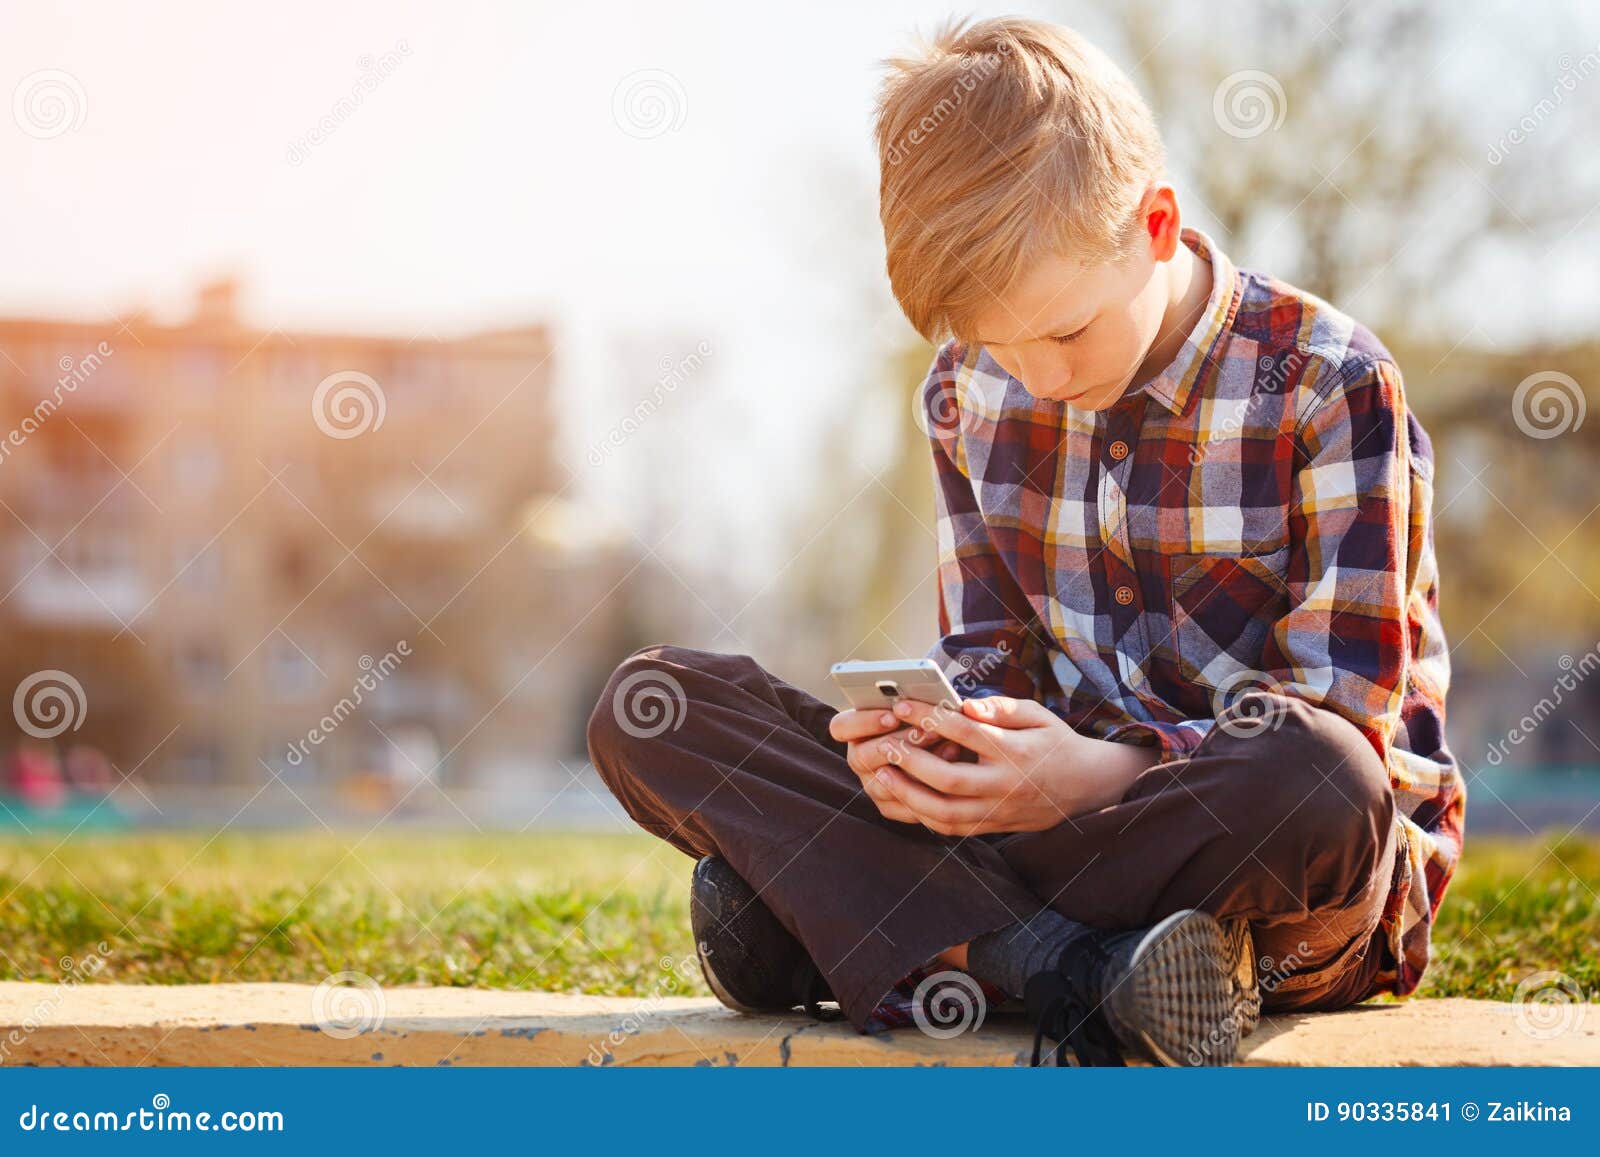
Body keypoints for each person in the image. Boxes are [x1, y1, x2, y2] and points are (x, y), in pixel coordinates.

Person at [586, 16, 1462, 1066]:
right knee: (652, 706)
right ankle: (1061, 962)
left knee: (1318, 775)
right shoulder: (967, 390)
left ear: (1153, 224)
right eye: (996, 340)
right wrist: (938, 745)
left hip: (1269, 871)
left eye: (1062, 331)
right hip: (1036, 829)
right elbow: (991, 656)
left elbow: (1345, 719)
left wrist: (1092, 774)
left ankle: (868, 925)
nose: (1038, 376)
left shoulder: (1331, 383)